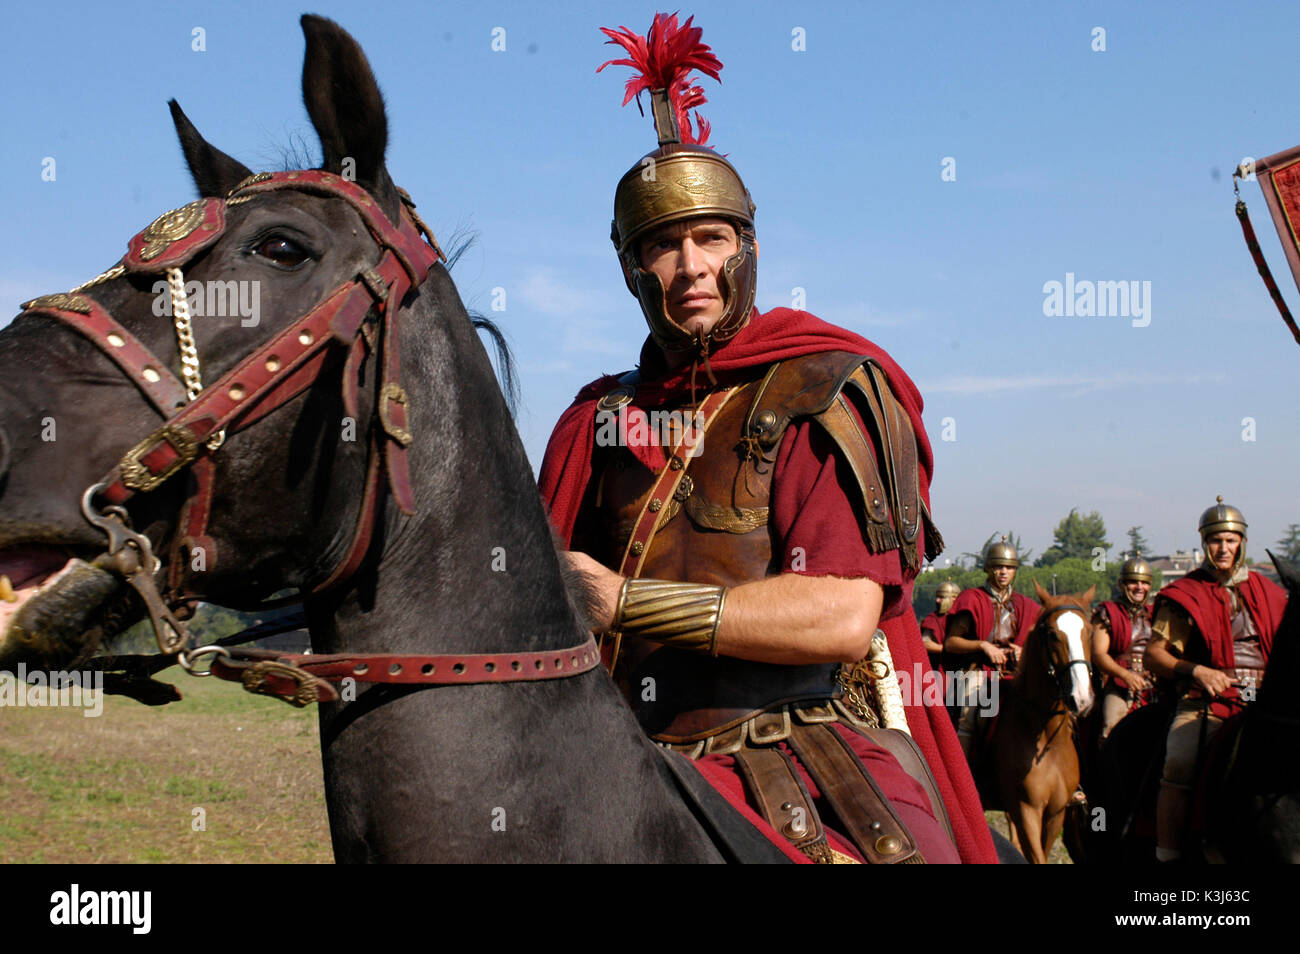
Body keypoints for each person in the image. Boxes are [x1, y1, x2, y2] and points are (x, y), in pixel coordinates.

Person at [538, 12, 994, 864]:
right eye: (662, 246)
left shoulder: (823, 387)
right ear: (633, 269)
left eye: (710, 238)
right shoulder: (592, 421)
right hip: (615, 755)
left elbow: (840, 616)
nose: (691, 267)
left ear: (746, 248)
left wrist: (624, 603)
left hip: (796, 753)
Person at [1143, 498, 1287, 862]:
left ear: (1242, 543)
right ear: (1205, 543)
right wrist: (1198, 670)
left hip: (1266, 697)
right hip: (1207, 699)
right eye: (1215, 541)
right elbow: (1154, 655)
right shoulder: (1184, 594)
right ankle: (1169, 855)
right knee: (1179, 763)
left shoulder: (1271, 592)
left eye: (1231, 540)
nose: (1223, 548)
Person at [942, 538, 1041, 761]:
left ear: (1015, 570)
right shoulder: (971, 599)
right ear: (988, 568)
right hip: (980, 670)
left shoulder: (1026, 605)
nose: (1004, 572)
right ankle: (964, 774)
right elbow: (951, 643)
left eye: (1009, 567)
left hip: (1017, 672)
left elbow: (1040, 644)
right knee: (968, 714)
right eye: (998, 567)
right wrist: (983, 645)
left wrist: (1024, 652)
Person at [1091, 554, 1157, 740]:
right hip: (1119, 685)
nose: (1139, 587)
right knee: (1111, 728)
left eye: (1144, 583)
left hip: (1153, 684)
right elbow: (1099, 654)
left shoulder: (1155, 613)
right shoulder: (1106, 613)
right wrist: (1126, 676)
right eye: (1133, 582)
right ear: (1122, 584)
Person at [920, 580, 960, 667]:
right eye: (937, 597)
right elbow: (925, 643)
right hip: (939, 667)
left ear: (954, 599)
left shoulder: (962, 618)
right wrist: (949, 650)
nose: (937, 600)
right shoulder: (932, 619)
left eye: (942, 597)